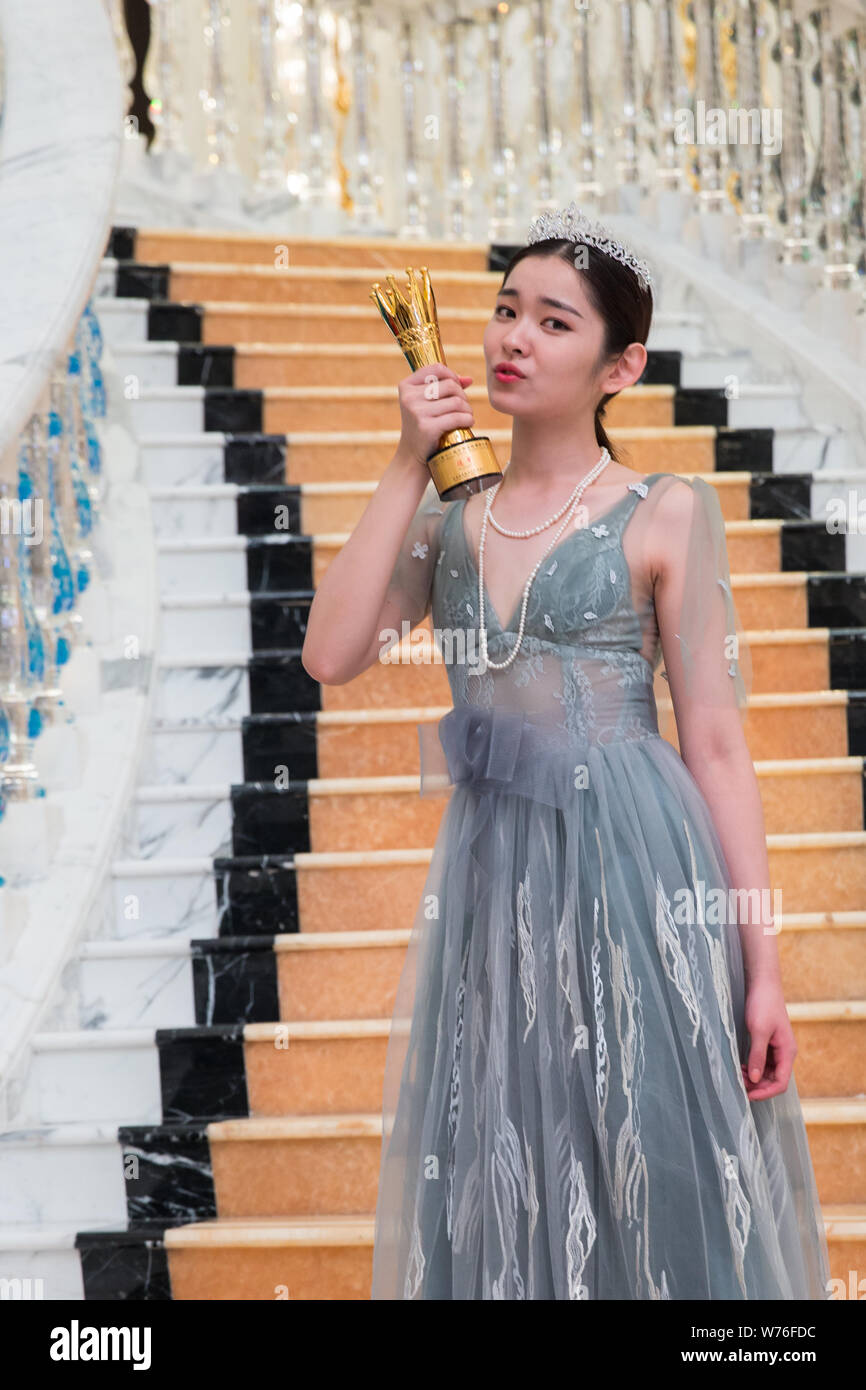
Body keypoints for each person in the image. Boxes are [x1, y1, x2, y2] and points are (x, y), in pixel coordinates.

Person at [301, 203, 832, 1300]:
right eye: (503, 311)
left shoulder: (661, 512)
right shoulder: (456, 517)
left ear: (618, 364)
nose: (511, 338)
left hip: (636, 863)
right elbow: (329, 650)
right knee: (509, 1150)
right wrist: (406, 459)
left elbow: (719, 747)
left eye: (551, 322)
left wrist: (762, 966)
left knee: (641, 1140)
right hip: (495, 877)